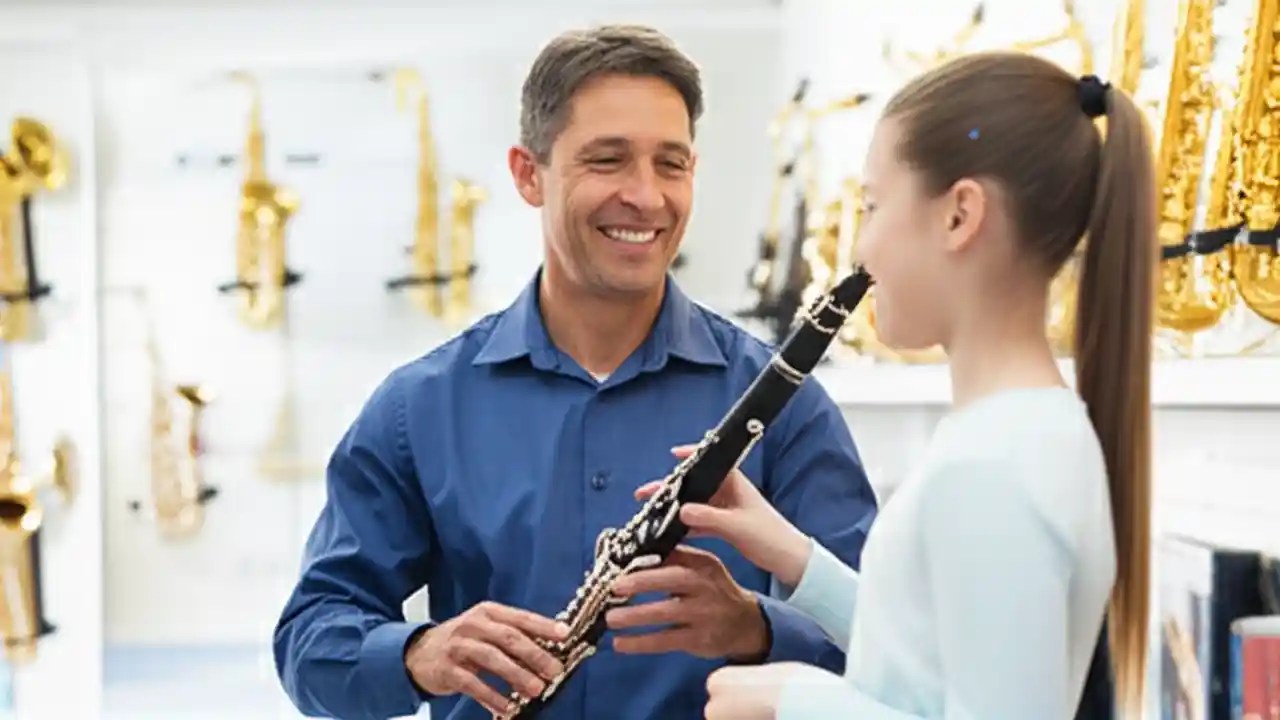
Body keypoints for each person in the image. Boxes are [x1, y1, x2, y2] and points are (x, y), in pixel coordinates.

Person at [271, 24, 879, 720]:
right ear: (529, 174)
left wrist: (756, 628)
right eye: (608, 160)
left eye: (670, 164)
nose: (646, 197)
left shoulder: (784, 405)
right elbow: (309, 644)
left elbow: (892, 649)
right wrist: (421, 654)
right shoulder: (419, 408)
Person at [653, 51, 1156, 719]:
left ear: (959, 216)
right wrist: (792, 554)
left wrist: (794, 700)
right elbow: (936, 661)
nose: (859, 250)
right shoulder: (1027, 433)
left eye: (871, 205)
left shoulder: (993, 465)